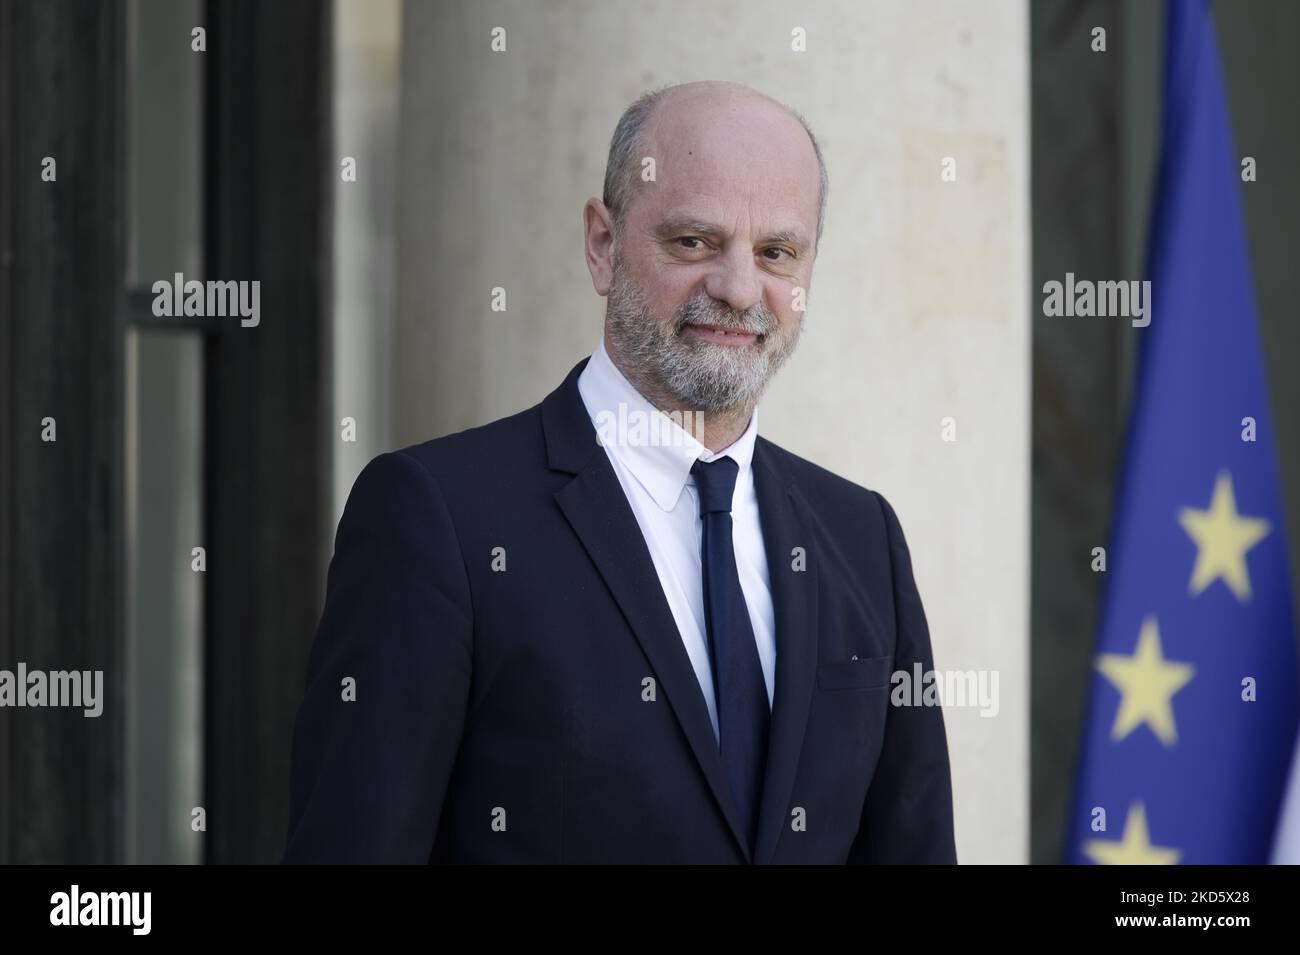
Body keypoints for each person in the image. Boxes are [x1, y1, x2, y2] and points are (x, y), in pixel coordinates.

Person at [284, 80, 956, 863]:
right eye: (694, 242)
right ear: (603, 244)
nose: (739, 289)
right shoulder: (439, 520)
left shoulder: (861, 536)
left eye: (777, 252)